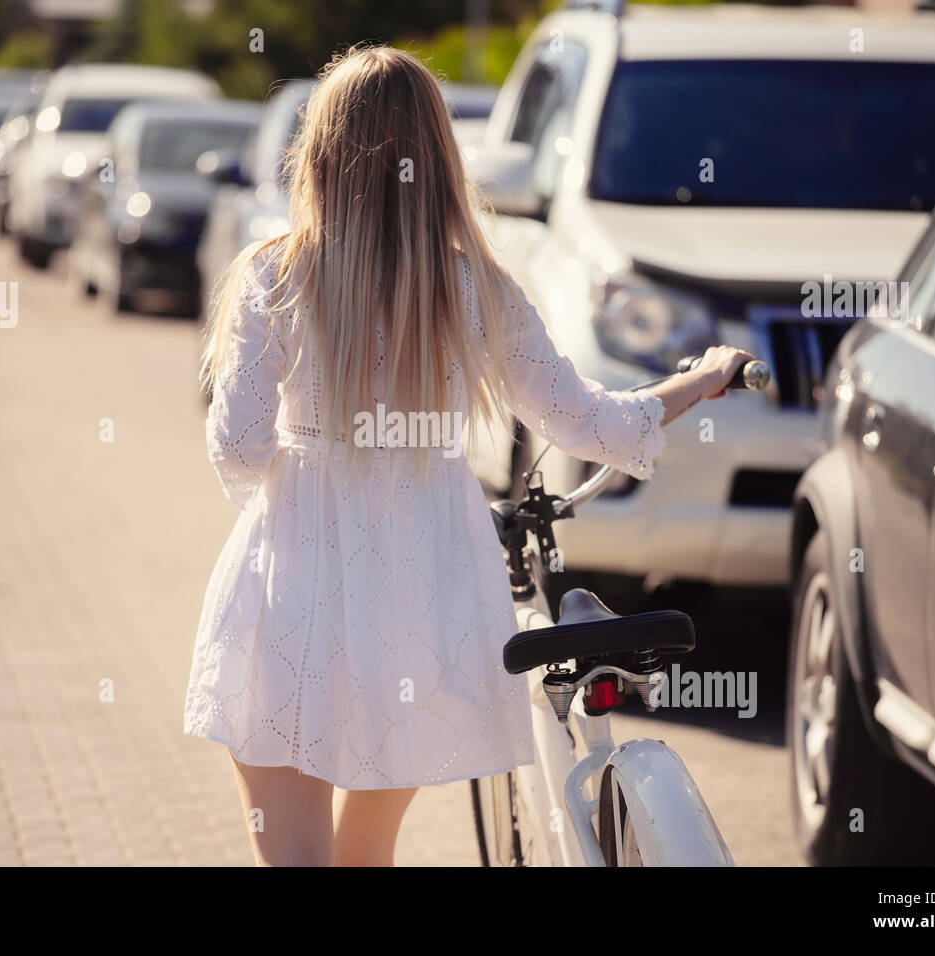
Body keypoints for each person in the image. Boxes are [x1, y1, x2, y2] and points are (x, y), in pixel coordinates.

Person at [186, 45, 755, 866]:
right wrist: (697, 381)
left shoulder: (275, 276)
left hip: (291, 594)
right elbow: (588, 421)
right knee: (366, 853)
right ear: (439, 156)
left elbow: (237, 453)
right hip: (419, 607)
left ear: (320, 152)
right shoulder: (474, 288)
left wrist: (319, 452)